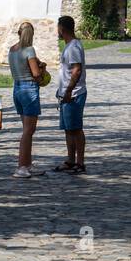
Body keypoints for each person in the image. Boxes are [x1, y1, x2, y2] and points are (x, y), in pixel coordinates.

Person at [8, 21, 47, 178]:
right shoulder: (29, 50)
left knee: (27, 129)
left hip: (17, 88)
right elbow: (36, 74)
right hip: (29, 89)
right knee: (28, 131)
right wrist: (42, 69)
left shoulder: (12, 50)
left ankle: (27, 163)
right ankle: (22, 166)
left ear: (18, 33)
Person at [53, 15, 87, 174]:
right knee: (68, 128)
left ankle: (80, 162)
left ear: (62, 29)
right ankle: (70, 160)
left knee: (76, 129)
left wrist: (68, 91)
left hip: (73, 94)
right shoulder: (69, 46)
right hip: (66, 94)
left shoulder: (73, 47)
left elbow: (76, 70)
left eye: (58, 27)